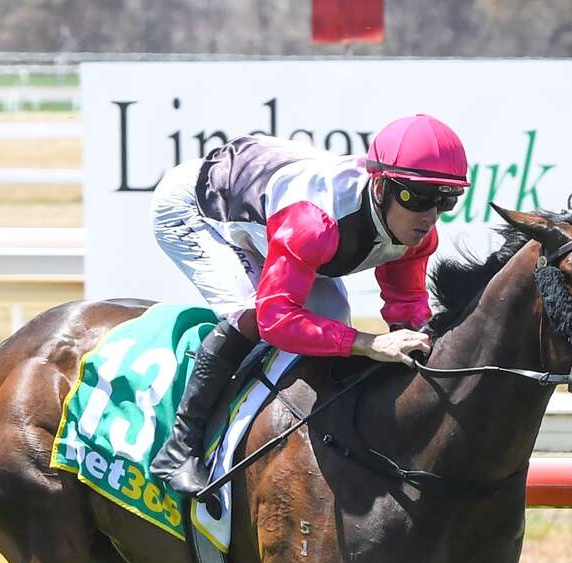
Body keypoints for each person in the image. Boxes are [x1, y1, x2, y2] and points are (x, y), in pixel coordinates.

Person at [147, 113, 471, 495]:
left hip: (269, 206)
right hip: (194, 209)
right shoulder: (314, 226)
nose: (430, 215)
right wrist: (369, 343)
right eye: (415, 197)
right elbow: (275, 319)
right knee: (251, 315)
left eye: (445, 200)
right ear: (381, 187)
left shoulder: (417, 234)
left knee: (332, 324)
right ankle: (179, 447)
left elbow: (407, 310)